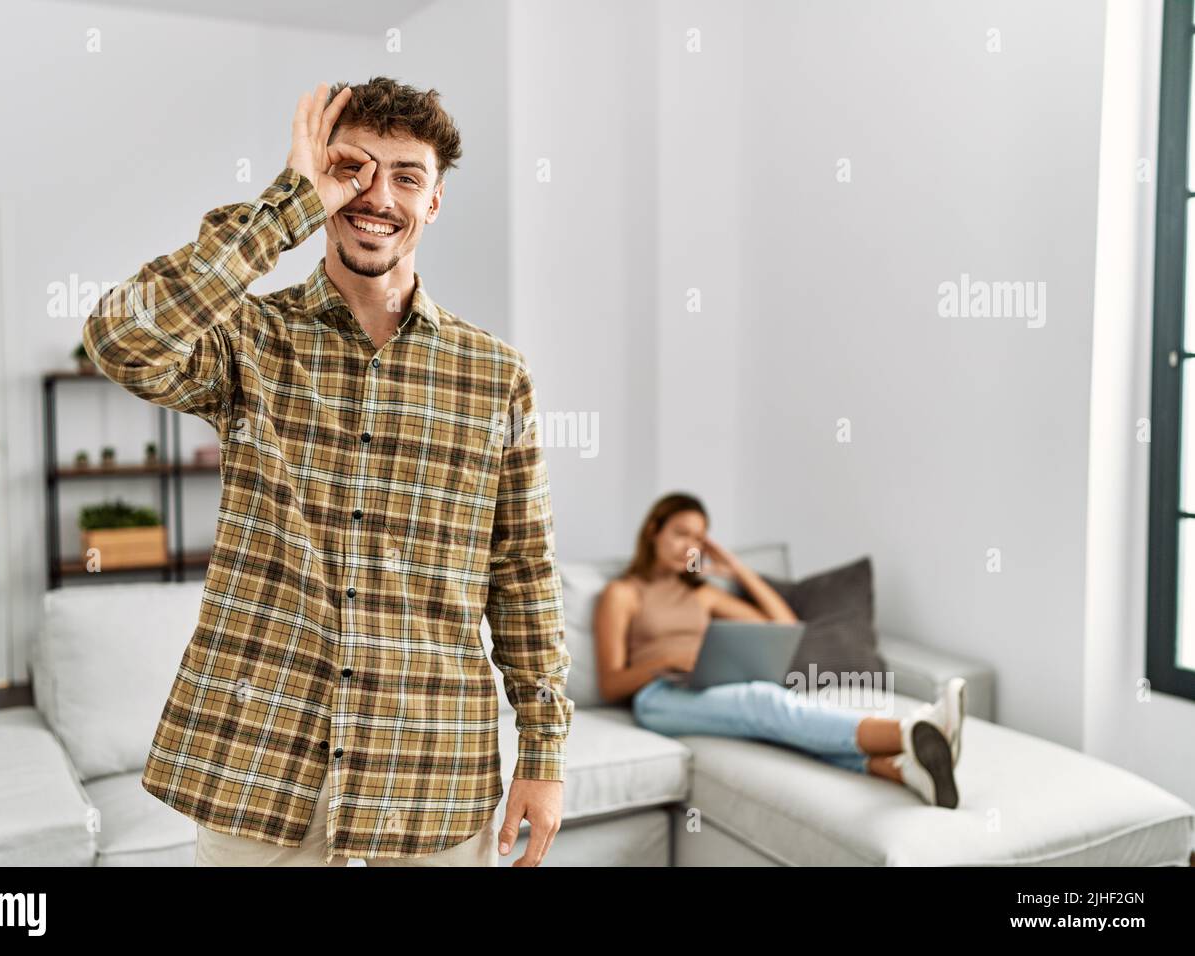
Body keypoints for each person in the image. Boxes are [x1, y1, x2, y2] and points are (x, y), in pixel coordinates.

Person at [83, 78, 570, 866]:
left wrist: (544, 753)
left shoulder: (496, 375)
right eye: (353, 169)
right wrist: (287, 205)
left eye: (406, 176)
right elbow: (121, 339)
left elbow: (522, 572)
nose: (377, 196)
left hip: (432, 772)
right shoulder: (250, 339)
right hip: (262, 764)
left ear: (435, 201)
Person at [592, 492, 965, 808]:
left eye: (699, 540)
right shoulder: (623, 593)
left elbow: (784, 625)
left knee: (779, 728)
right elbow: (611, 683)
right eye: (680, 534)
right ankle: (911, 731)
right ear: (653, 531)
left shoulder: (701, 594)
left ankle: (905, 773)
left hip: (709, 685)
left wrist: (737, 570)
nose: (689, 546)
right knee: (764, 702)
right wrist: (668, 660)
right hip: (657, 697)